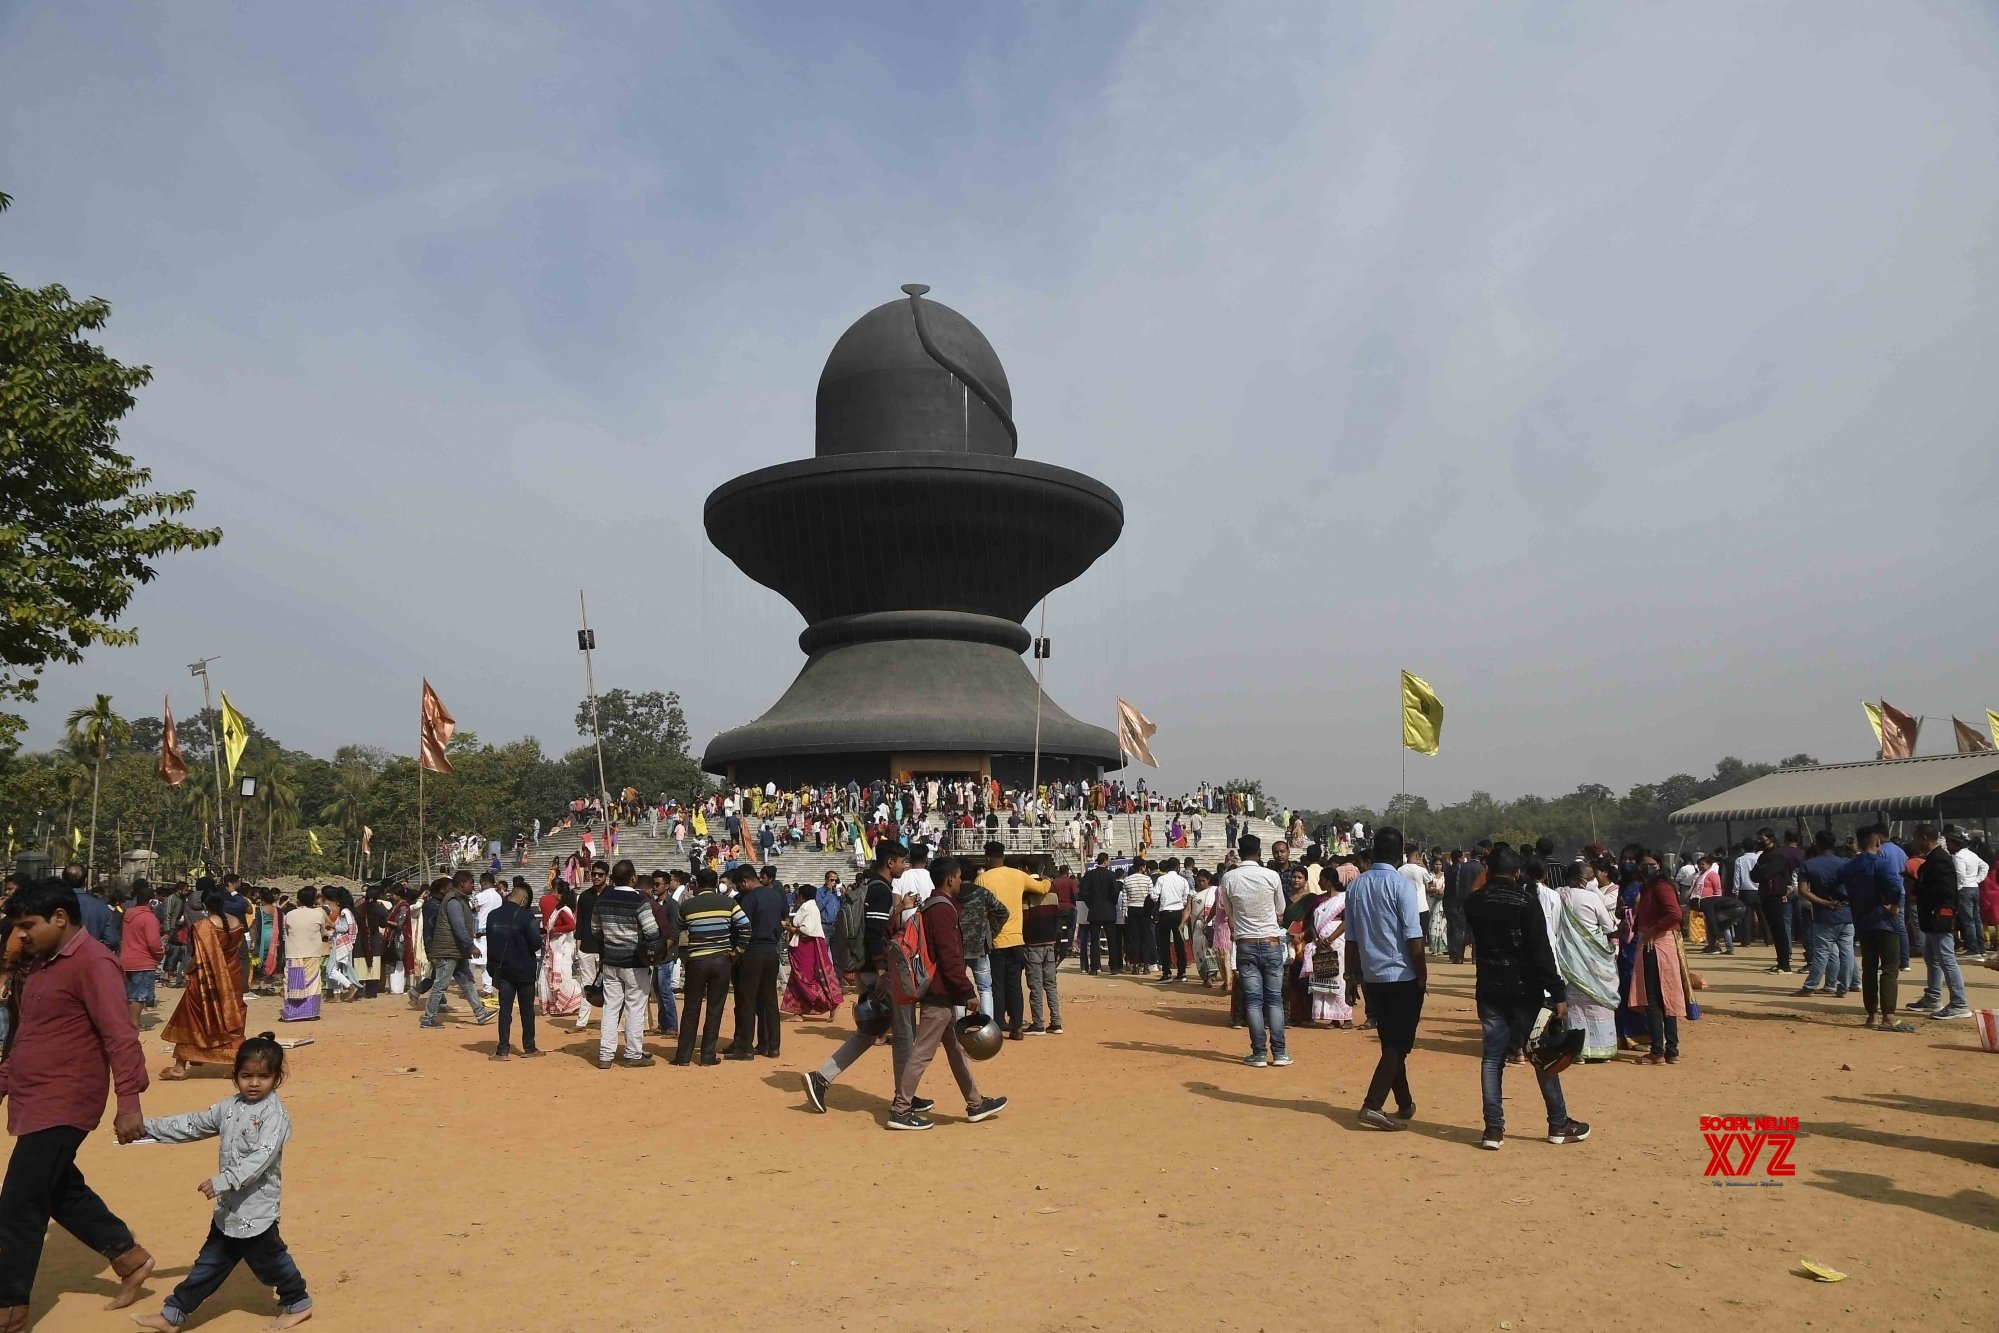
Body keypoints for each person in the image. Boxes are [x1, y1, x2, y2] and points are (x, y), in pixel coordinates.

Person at [0, 879, 156, 1325]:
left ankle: (8, 1306)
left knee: (17, 1204)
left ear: (60, 918)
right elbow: (25, 1038)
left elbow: (120, 1035)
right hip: (34, 1098)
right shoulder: (43, 966)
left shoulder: (95, 963)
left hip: (66, 1100)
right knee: (57, 1188)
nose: (21, 935)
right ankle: (128, 1257)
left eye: (28, 925)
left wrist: (129, 1102)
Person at [129, 1034, 311, 1331]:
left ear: (277, 1078)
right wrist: (146, 1128)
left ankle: (298, 1301)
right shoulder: (231, 1107)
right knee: (209, 1264)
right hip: (230, 1210)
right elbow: (194, 1124)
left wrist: (225, 1180)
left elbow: (261, 1158)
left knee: (272, 1262)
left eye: (263, 1076)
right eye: (246, 1076)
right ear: (235, 1075)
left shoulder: (275, 1115)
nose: (254, 1083)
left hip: (257, 1211)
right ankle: (173, 1314)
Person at [1465, 847, 1592, 1150]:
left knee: (1493, 1059)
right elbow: (1541, 951)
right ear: (1517, 872)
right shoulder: (1526, 901)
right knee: (1543, 1055)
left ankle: (1493, 1129)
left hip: (1490, 988)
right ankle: (1558, 1123)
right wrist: (1557, 993)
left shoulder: (1474, 903)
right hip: (1525, 991)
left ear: (1487, 870)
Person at [885, 856, 1009, 1131]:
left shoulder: (933, 906)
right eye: (958, 877)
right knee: (922, 1053)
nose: (961, 882)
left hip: (940, 990)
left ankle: (976, 1103)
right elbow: (949, 955)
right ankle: (901, 1109)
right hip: (940, 992)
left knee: (955, 1049)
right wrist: (967, 991)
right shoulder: (943, 910)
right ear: (950, 879)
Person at [803, 842, 916, 1110]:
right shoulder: (881, 890)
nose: (904, 866)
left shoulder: (869, 885)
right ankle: (905, 1097)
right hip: (879, 971)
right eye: (902, 861)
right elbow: (876, 934)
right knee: (903, 1034)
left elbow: (875, 924)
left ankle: (822, 1078)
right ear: (890, 862)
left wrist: (899, 910)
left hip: (868, 968)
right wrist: (881, 971)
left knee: (869, 1032)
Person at [1346, 827, 1426, 1128]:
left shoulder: (1356, 887)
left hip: (1372, 976)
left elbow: (1352, 937)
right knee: (1398, 1044)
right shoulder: (1400, 885)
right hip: (1402, 975)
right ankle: (1373, 1103)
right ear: (1400, 853)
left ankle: (1404, 1102)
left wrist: (1351, 975)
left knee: (1391, 1043)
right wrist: (1422, 976)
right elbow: (1414, 938)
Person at [159, 887, 248, 1081]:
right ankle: (235, 1064)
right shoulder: (237, 923)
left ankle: (180, 1067)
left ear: (205, 905)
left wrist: (185, 970)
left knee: (191, 1018)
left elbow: (199, 958)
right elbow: (234, 952)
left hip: (206, 981)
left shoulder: (204, 926)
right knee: (231, 1020)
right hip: (232, 978)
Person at [1219, 834, 1288, 1067]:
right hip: (1270, 942)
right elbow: (1280, 909)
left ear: (1239, 851)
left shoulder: (1228, 878)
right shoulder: (1272, 876)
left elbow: (1228, 913)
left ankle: (1258, 1053)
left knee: (1253, 1001)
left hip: (1245, 944)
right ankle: (1279, 1053)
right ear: (1259, 852)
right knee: (1274, 1000)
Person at [674, 868, 749, 1066]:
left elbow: (678, 927)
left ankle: (683, 1057)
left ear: (697, 884)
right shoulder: (729, 903)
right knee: (715, 1009)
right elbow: (745, 926)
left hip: (696, 962)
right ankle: (707, 1056)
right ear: (716, 883)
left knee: (691, 1008)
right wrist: (738, 950)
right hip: (721, 961)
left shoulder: (688, 905)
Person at [594, 859, 664, 1068]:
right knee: (635, 1008)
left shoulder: (602, 901)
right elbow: (652, 931)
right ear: (633, 878)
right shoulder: (639, 902)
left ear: (612, 878)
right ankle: (633, 1054)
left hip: (611, 961)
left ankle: (606, 1055)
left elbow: (595, 930)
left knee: (611, 1008)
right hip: (635, 962)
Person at [1839, 826, 1910, 1031]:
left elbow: (1833, 885)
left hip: (1862, 922)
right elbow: (1895, 887)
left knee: (1869, 968)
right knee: (1889, 968)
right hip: (1885, 921)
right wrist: (1894, 907)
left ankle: (1872, 1015)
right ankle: (1889, 1016)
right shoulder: (1882, 863)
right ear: (1878, 842)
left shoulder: (1849, 867)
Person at [975, 843, 1047, 1040]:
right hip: (1017, 940)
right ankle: (1017, 1026)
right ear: (1003, 856)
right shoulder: (1018, 875)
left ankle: (998, 1024)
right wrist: (1047, 880)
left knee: (996, 985)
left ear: (988, 858)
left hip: (996, 941)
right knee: (1014, 985)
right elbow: (1042, 887)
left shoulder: (982, 879)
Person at [1555, 861, 1621, 1062]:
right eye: (1591, 877)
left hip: (1570, 958)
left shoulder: (1559, 894)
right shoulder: (1592, 897)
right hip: (1595, 959)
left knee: (1575, 1005)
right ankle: (1602, 1050)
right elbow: (1609, 925)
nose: (1593, 880)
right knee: (1598, 1001)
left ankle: (1577, 1051)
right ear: (1582, 880)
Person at [1905, 824, 1970, 1020]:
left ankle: (1959, 1003)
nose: (1913, 841)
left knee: (1946, 959)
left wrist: (1918, 887)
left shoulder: (1939, 860)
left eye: (1915, 837)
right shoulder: (1933, 859)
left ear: (1924, 838)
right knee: (1932, 958)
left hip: (1938, 916)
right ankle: (1933, 996)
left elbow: (1945, 891)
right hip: (1933, 916)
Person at [1627, 852, 1686, 1065]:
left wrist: (1651, 931)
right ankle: (1671, 1050)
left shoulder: (1660, 887)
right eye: (1643, 865)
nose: (1646, 868)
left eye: (1650, 864)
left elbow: (1675, 914)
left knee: (1655, 999)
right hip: (1658, 942)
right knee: (1665, 997)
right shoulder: (1650, 886)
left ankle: (1659, 1050)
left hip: (1657, 944)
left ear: (1659, 865)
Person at [420, 871, 495, 1030]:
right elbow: (458, 927)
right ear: (462, 884)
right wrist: (471, 945)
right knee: (440, 984)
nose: (473, 886)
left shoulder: (459, 900)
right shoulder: (454, 901)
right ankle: (428, 1018)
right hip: (448, 950)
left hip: (456, 950)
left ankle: (480, 1013)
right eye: (471, 883)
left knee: (467, 982)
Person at [483, 881, 544, 1060]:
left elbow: (491, 944)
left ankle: (502, 1050)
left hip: (503, 970)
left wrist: (492, 968)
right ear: (524, 900)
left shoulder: (493, 916)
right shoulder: (526, 917)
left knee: (505, 1010)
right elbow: (534, 943)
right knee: (527, 1010)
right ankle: (529, 1048)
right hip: (524, 969)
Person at [1794, 831, 1854, 997]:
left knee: (1822, 952)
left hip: (1824, 915)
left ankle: (1810, 986)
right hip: (1846, 913)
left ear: (1817, 844)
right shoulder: (1845, 863)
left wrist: (1824, 903)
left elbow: (1803, 891)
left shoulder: (1809, 864)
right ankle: (1843, 988)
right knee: (1847, 952)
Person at [781, 880, 843, 1017]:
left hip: (805, 946)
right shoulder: (812, 906)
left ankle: (830, 1002)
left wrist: (789, 928)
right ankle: (798, 1012)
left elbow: (806, 929)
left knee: (804, 978)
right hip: (809, 945)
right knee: (798, 978)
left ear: (802, 896)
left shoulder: (806, 908)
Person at [955, 869, 1008, 1018]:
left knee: (958, 987)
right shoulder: (983, 893)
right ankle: (987, 1026)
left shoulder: (953, 895)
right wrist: (991, 932)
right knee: (985, 988)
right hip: (980, 948)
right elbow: (1003, 911)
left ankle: (958, 1026)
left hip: (957, 948)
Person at [1307, 876, 1352, 1027]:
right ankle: (1333, 1018)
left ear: (1329, 881)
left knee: (1339, 979)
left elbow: (1347, 921)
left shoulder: (1343, 898)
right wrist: (1318, 939)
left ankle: (1346, 1018)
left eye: (1322, 879)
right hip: (1320, 944)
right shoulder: (1318, 900)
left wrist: (1331, 938)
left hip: (1337, 943)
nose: (1319, 882)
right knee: (1324, 976)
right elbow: (1311, 923)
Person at [1021, 878, 1064, 1035]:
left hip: (1032, 944)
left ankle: (1038, 1023)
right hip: (1050, 943)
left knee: (1035, 985)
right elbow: (1058, 920)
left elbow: (1024, 920)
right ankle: (1056, 1021)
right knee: (1051, 984)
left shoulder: (1027, 894)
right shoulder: (1053, 893)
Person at [119, 884, 164, 1031]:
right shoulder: (149, 918)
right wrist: (160, 953)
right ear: (152, 901)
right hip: (143, 961)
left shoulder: (128, 915)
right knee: (139, 996)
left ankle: (127, 1022)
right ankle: (134, 1024)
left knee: (129, 994)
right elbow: (153, 943)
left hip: (126, 959)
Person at [279, 888, 328, 1023]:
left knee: (292, 983)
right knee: (312, 983)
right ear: (313, 900)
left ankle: (291, 1012)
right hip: (312, 953)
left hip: (293, 953)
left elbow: (286, 932)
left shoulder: (290, 915)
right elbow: (323, 932)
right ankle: (310, 1012)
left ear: (298, 900)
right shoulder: (318, 915)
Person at [539, 886, 584, 1018]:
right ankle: (558, 1005)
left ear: (560, 895)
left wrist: (554, 929)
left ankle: (571, 1003)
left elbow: (571, 926)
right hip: (557, 946)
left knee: (563, 976)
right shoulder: (560, 909)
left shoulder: (563, 910)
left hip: (562, 947)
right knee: (553, 976)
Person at [1077, 853, 1118, 975]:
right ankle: (1114, 967)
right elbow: (1115, 891)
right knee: (1112, 940)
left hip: (1094, 910)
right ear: (1105, 861)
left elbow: (1083, 893)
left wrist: (1091, 903)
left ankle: (1094, 967)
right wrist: (1112, 903)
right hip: (1108, 910)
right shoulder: (1111, 874)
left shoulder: (1090, 875)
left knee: (1094, 941)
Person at [1153, 857, 1191, 982]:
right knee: (1179, 943)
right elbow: (1186, 899)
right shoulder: (1183, 881)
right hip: (1178, 913)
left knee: (1164, 944)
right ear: (1177, 867)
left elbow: (1154, 896)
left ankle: (1166, 972)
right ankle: (1182, 971)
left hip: (1164, 913)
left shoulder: (1161, 879)